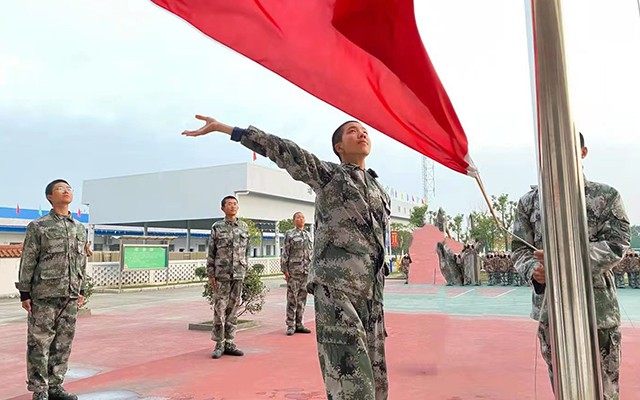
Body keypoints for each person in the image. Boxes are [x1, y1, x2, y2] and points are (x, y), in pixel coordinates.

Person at [183, 116, 391, 399]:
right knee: (349, 373)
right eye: (353, 132)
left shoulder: (379, 190)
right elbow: (283, 150)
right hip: (338, 288)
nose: (362, 134)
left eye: (365, 131)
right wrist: (229, 130)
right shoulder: (329, 176)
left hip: (373, 294)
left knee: (377, 378)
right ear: (339, 147)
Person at [512, 133, 630, 399]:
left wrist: (561, 262)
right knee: (564, 387)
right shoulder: (529, 202)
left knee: (604, 389)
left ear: (583, 152)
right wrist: (535, 270)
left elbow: (618, 245)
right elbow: (519, 250)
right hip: (551, 312)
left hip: (597, 312)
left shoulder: (606, 196)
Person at [16, 179, 88, 400]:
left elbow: (81, 260)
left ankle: (56, 386)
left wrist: (82, 289)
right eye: (60, 188)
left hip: (70, 294)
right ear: (49, 196)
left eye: (69, 188)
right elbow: (28, 259)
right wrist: (25, 293)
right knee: (39, 342)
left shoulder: (79, 228)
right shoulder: (39, 226)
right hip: (44, 294)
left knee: (63, 343)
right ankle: (40, 390)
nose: (66, 191)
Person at [207, 195, 251, 359]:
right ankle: (219, 343)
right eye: (229, 204)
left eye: (235, 204)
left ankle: (230, 341)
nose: (233, 206)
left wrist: (245, 268)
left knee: (233, 309)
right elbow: (211, 251)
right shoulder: (217, 227)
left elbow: (247, 251)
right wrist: (211, 273)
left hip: (238, 272)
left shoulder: (244, 227)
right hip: (222, 274)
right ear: (223, 208)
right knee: (220, 308)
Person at [281, 211, 313, 336]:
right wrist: (285, 270)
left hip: (306, 271)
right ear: (294, 220)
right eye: (298, 217)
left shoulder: (308, 235)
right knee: (292, 298)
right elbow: (285, 252)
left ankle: (299, 324)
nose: (301, 219)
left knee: (302, 299)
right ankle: (290, 324)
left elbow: (311, 253)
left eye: (303, 217)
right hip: (294, 271)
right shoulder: (290, 234)